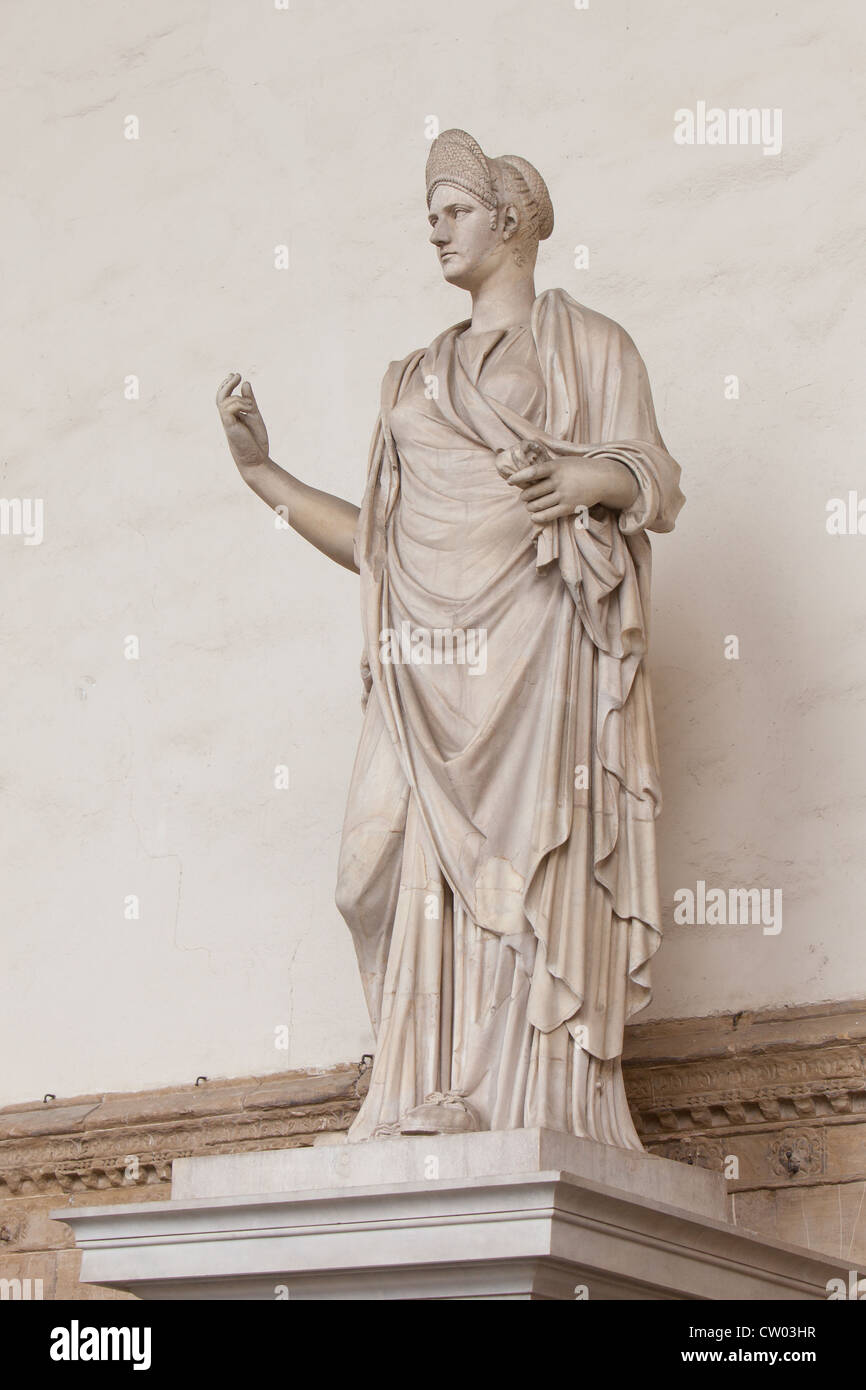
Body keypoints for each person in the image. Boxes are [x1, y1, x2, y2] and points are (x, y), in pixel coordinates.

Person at [216, 128, 685, 1147]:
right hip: (419, 670)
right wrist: (264, 475)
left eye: (454, 209)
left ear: (507, 220)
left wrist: (581, 480)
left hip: (536, 651)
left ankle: (501, 1097)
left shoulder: (589, 346)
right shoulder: (411, 379)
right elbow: (379, 549)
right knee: (363, 875)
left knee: (521, 879)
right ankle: (411, 1076)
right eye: (428, 213)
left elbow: (656, 482)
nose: (434, 228)